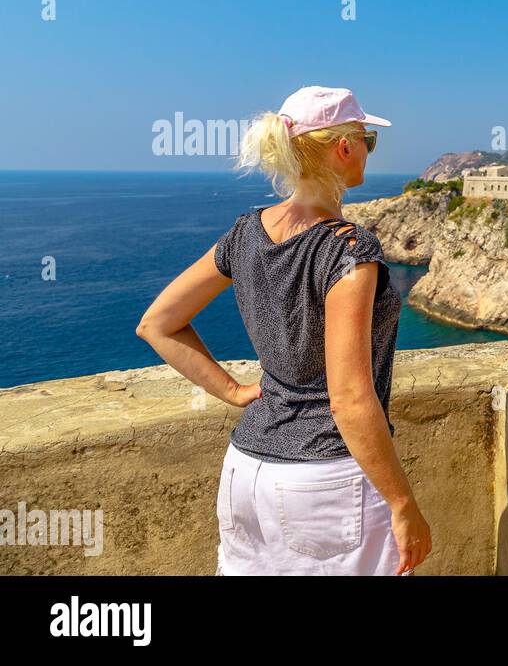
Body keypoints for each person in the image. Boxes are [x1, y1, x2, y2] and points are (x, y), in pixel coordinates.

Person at [136, 86, 432, 576]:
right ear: (344, 147)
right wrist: (403, 504)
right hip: (325, 480)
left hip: (244, 473)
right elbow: (349, 398)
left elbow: (157, 324)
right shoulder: (347, 250)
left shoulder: (246, 232)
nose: (368, 149)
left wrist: (232, 391)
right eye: (368, 139)